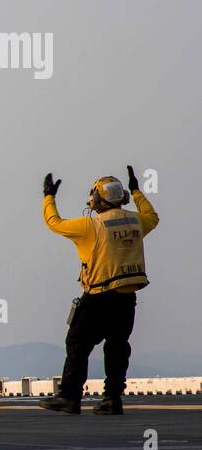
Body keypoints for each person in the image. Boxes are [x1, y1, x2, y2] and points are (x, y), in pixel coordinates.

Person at [39, 166, 158, 415]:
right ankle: (112, 399)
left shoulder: (90, 225)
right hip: (127, 296)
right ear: (122, 197)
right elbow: (152, 215)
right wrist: (137, 192)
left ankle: (70, 397)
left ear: (96, 198)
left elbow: (55, 223)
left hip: (98, 296)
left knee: (77, 344)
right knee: (117, 347)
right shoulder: (136, 221)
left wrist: (48, 197)